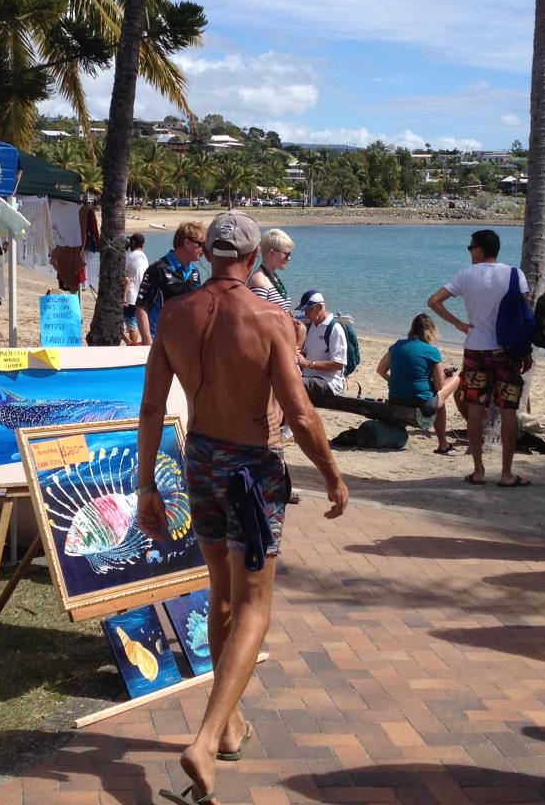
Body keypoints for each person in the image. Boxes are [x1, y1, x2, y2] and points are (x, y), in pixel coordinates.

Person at [136, 211, 348, 805]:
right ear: (253, 260)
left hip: (197, 458)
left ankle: (229, 725)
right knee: (255, 603)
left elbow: (151, 409)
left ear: (207, 255)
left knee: (220, 593)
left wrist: (146, 485)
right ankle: (204, 740)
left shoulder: (175, 313)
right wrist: (333, 476)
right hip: (251, 468)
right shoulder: (270, 317)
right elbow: (300, 412)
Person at [427, 229, 530, 488]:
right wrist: (526, 350)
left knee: (475, 408)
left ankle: (479, 470)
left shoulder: (466, 275)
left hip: (475, 349)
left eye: (471, 247)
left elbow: (434, 301)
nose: (470, 251)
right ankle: (507, 473)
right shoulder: (515, 274)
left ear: (480, 249)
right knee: (509, 409)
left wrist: (460, 324)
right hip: (506, 351)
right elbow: (523, 317)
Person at [376, 313, 461, 455]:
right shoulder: (432, 351)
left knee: (438, 390)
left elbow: (381, 370)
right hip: (421, 401)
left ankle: (443, 444)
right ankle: (443, 444)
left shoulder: (397, 346)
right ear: (430, 331)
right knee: (456, 379)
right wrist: (445, 377)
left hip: (396, 397)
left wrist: (399, 382)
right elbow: (439, 387)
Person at [135, 222, 205, 344]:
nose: (203, 249)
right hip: (160, 340)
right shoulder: (158, 269)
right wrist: (147, 341)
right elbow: (141, 307)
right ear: (187, 243)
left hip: (185, 341)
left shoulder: (195, 272)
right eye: (200, 244)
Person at [246, 228, 306, 348]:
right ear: (272, 253)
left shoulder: (273, 277)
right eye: (286, 254)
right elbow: (258, 321)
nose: (289, 258)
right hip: (272, 345)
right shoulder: (259, 280)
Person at [296, 290, 347, 405]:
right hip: (309, 377)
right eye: (304, 311)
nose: (305, 314)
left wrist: (308, 364)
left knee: (292, 384)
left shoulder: (335, 329)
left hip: (329, 381)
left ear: (319, 307)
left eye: (308, 310)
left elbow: (338, 364)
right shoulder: (312, 326)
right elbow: (306, 354)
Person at [123, 233, 149, 345]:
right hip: (140, 295)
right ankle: (132, 343)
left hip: (129, 296)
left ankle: (132, 345)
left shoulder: (130, 257)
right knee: (133, 323)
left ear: (133, 243)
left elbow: (120, 272)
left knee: (131, 324)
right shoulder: (144, 257)